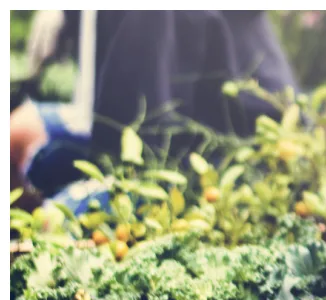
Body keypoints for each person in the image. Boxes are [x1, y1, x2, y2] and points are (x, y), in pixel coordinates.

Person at [11, 10, 297, 209]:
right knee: (18, 130)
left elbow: (149, 146)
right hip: (118, 126)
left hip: (223, 155)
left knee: (49, 225)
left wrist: (82, 195)